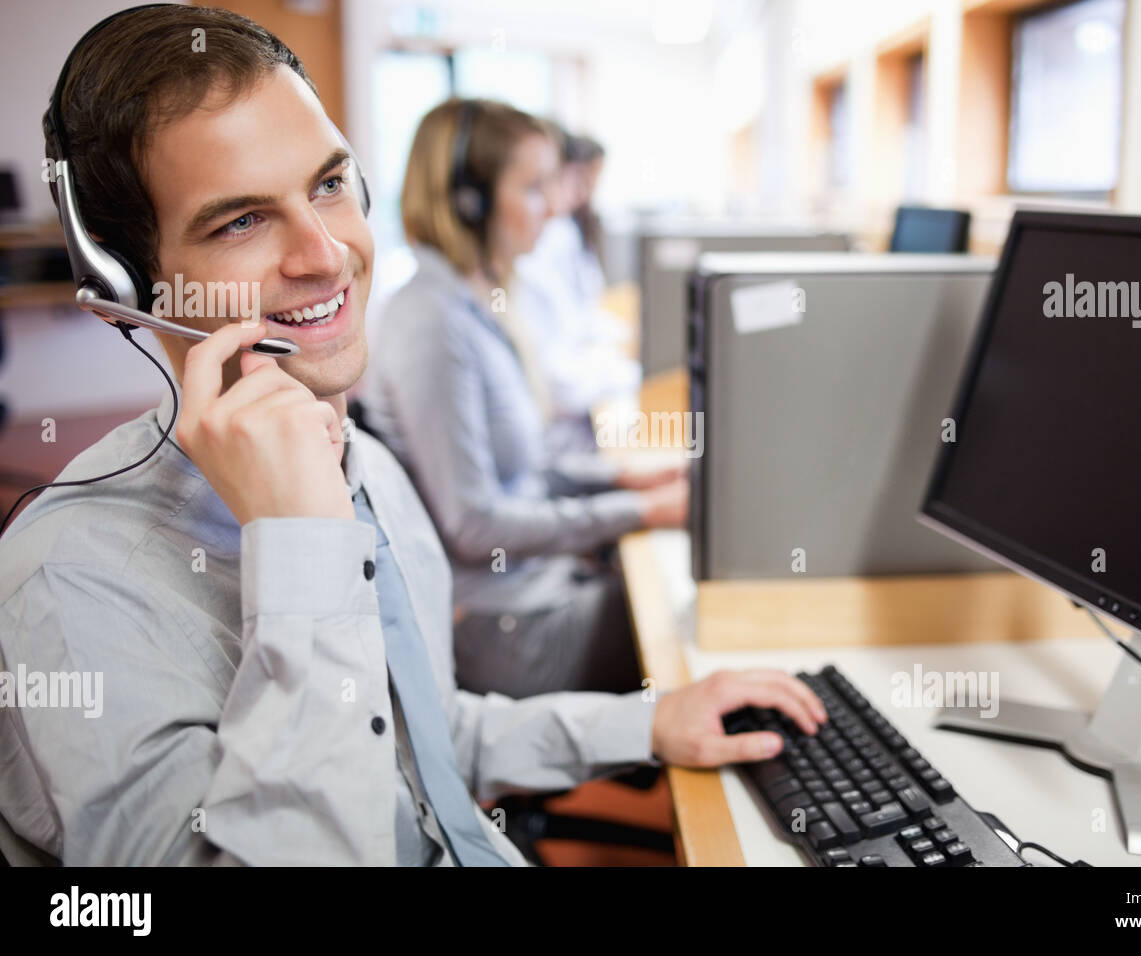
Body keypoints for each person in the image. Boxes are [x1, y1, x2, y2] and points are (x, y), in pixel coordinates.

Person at [0, 4, 825, 867]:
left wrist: (646, 719)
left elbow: (419, 740)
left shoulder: (368, 467)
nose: (326, 254)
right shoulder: (72, 587)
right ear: (129, 282)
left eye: (328, 185)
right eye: (240, 220)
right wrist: (303, 551)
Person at [363, 100, 684, 699]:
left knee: (671, 584)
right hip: (503, 632)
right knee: (680, 622)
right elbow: (476, 523)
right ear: (470, 201)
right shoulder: (431, 321)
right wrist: (640, 512)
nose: (557, 205)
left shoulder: (476, 300)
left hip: (538, 591)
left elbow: (527, 473)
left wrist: (625, 482)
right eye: (534, 188)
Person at [512, 129, 639, 457]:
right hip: (557, 439)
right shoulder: (536, 254)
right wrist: (633, 372)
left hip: (570, 425)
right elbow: (561, 380)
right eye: (536, 187)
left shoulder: (567, 232)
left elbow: (579, 319)